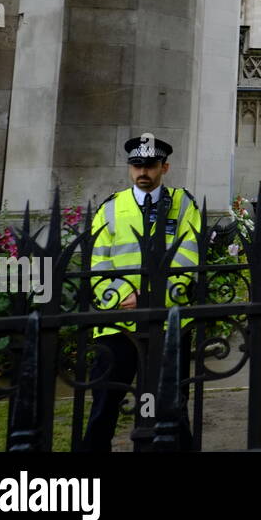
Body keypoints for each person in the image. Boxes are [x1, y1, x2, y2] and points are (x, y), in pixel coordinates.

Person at [80, 135, 202, 452]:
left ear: (165, 167)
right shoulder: (111, 207)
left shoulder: (183, 204)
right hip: (117, 320)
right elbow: (98, 259)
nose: (143, 171)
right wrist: (124, 294)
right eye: (137, 165)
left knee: (172, 404)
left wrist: (151, 294)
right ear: (129, 168)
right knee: (105, 401)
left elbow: (189, 254)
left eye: (150, 165)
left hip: (167, 320)